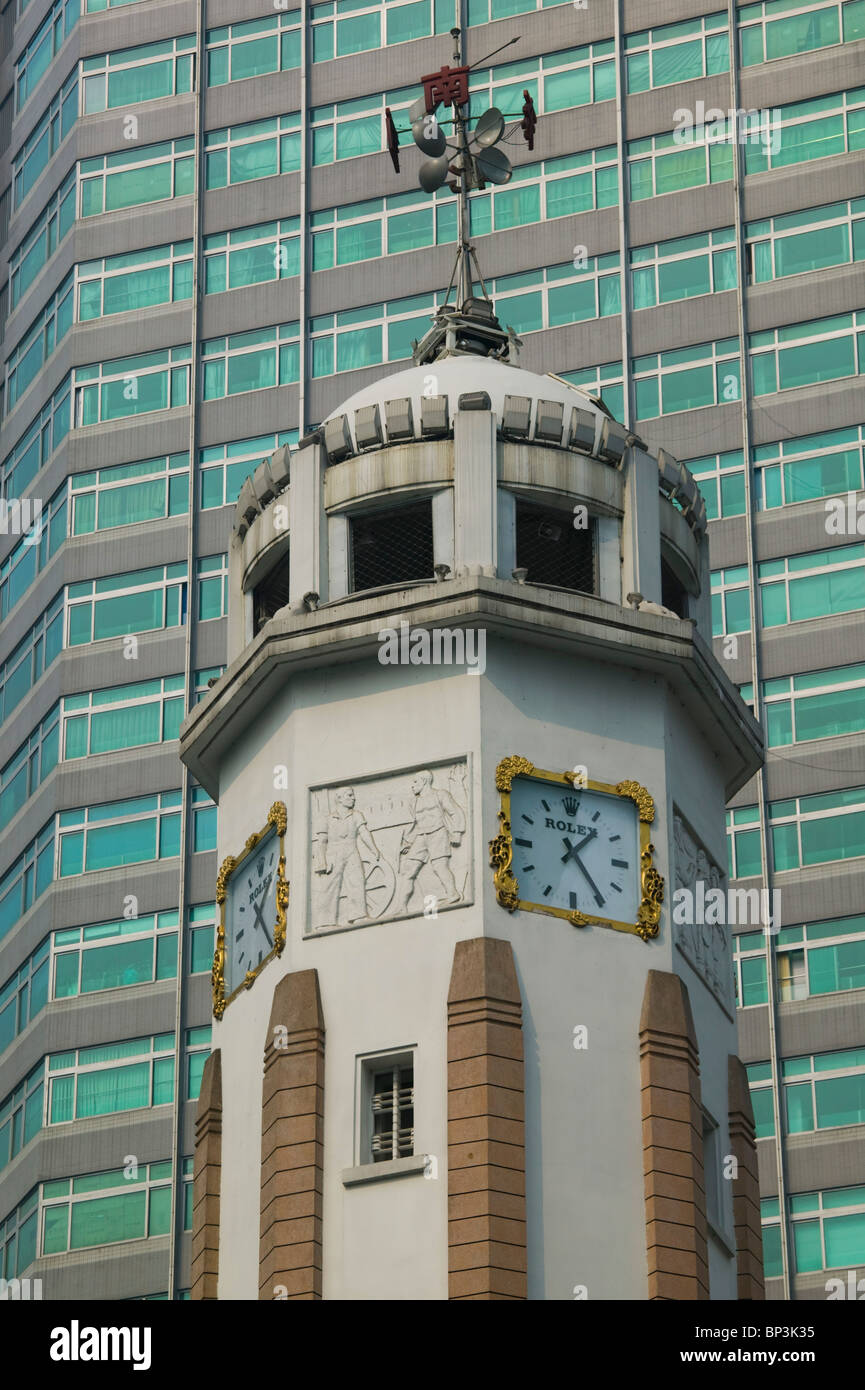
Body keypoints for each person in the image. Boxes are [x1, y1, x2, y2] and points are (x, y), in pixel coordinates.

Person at [392, 770, 465, 915]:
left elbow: (455, 812)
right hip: (421, 836)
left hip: (438, 833)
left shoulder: (440, 794)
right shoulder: (414, 801)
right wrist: (408, 842)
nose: (412, 786)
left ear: (424, 781)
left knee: (439, 866)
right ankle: (401, 906)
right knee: (408, 871)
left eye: (415, 782)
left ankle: (453, 894)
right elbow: (414, 823)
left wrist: (457, 832)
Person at [313, 787, 381, 925]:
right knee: (329, 887)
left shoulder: (356, 815)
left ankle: (358, 915)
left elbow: (364, 832)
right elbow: (322, 842)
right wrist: (321, 862)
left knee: (357, 882)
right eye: (349, 795)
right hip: (333, 854)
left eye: (353, 795)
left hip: (352, 852)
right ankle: (324, 923)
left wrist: (374, 849)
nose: (353, 798)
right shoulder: (327, 819)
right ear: (339, 798)